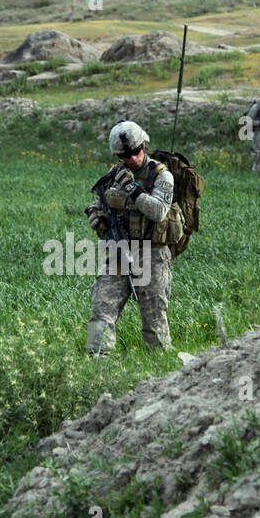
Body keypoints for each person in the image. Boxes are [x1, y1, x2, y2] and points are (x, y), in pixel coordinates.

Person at [84, 121, 177, 355]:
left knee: (153, 315)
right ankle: (97, 361)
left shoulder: (161, 175)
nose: (133, 158)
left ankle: (160, 369)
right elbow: (98, 203)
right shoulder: (113, 176)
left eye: (136, 151)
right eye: (126, 155)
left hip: (152, 253)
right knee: (102, 306)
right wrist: (97, 218)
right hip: (119, 251)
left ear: (143, 145)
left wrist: (133, 190)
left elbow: (158, 211)